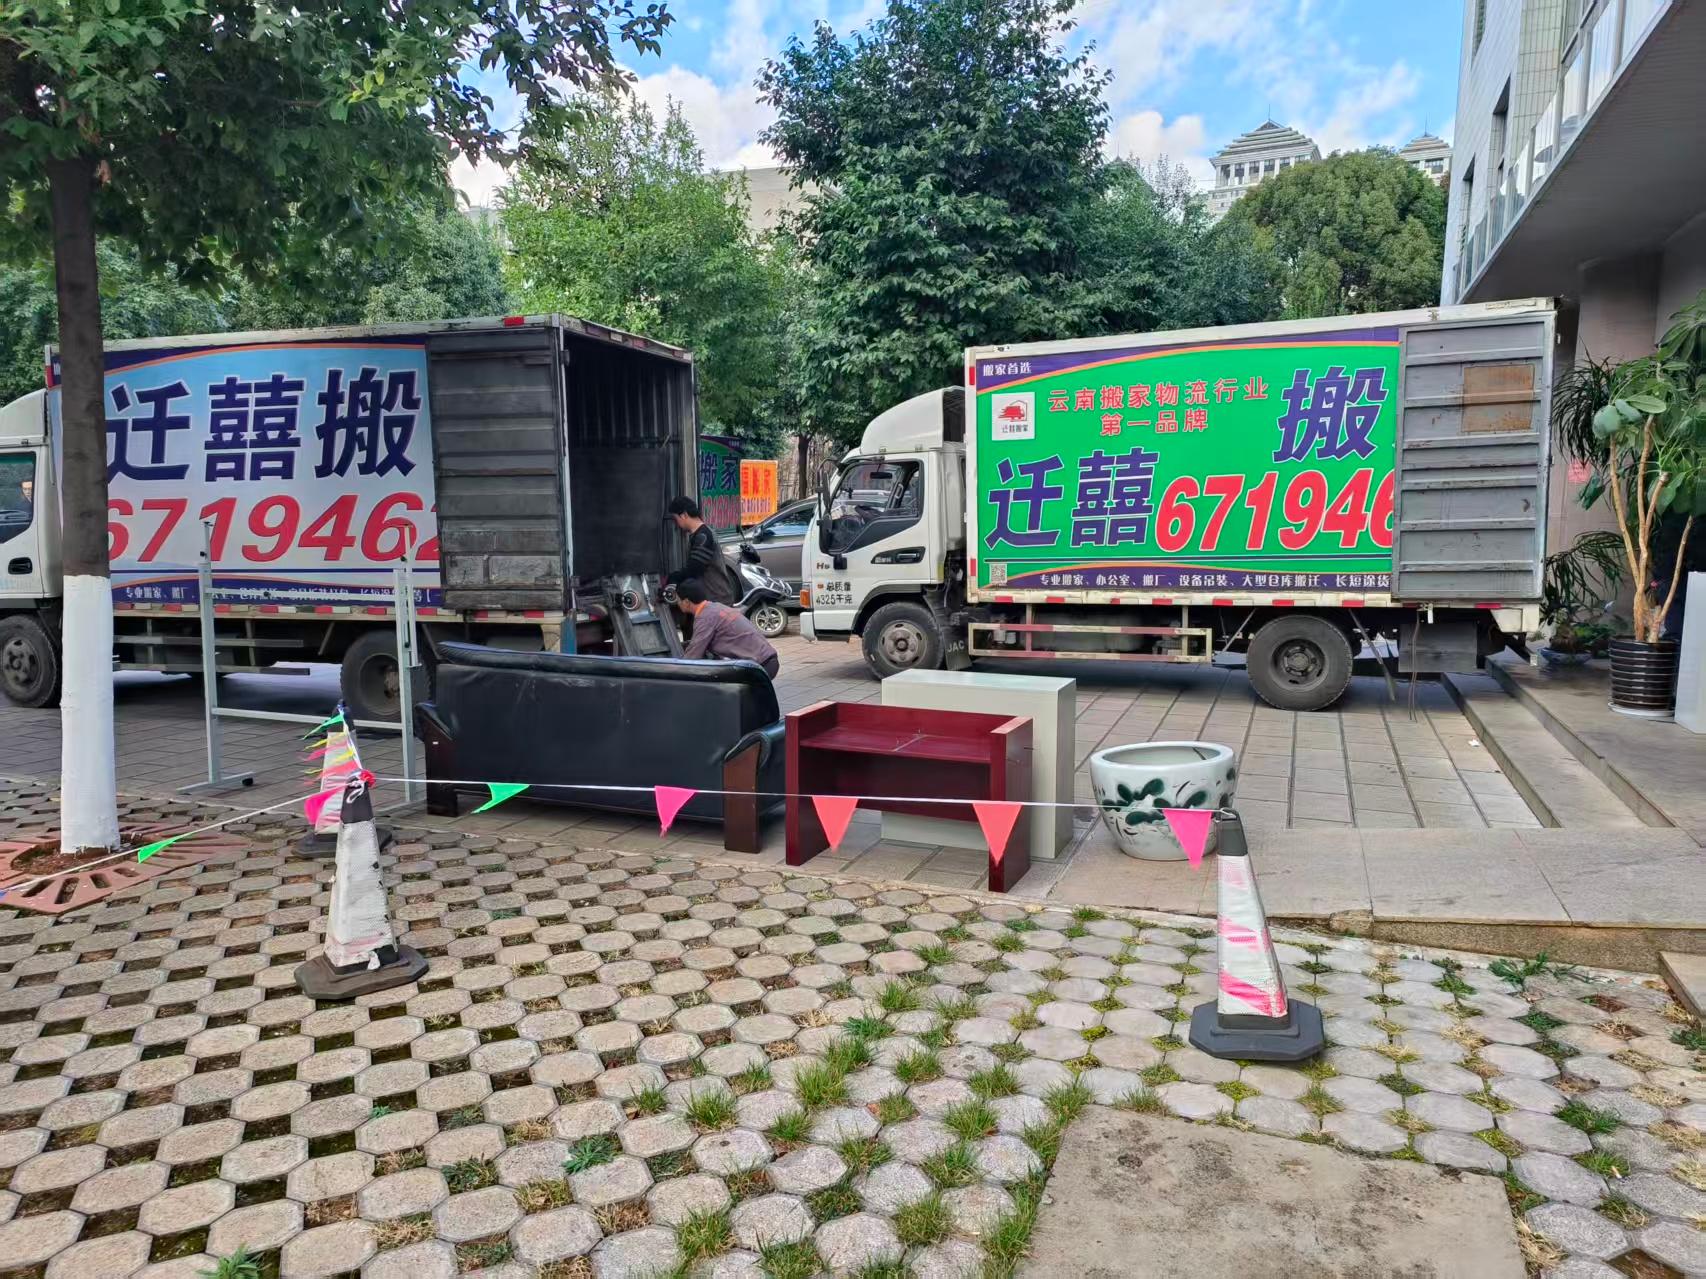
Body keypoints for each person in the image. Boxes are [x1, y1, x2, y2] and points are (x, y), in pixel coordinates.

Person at [677, 579, 779, 678]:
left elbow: (693, 655)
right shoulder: (715, 607)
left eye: (678, 600)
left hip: (760, 666)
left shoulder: (705, 617)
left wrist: (675, 671)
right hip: (767, 659)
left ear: (686, 602)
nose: (677, 603)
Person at [666, 496, 738, 605]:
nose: (676, 524)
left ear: (684, 515)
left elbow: (695, 569)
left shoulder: (703, 536)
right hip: (714, 600)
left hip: (717, 600)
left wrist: (673, 578)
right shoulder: (700, 534)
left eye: (676, 519)